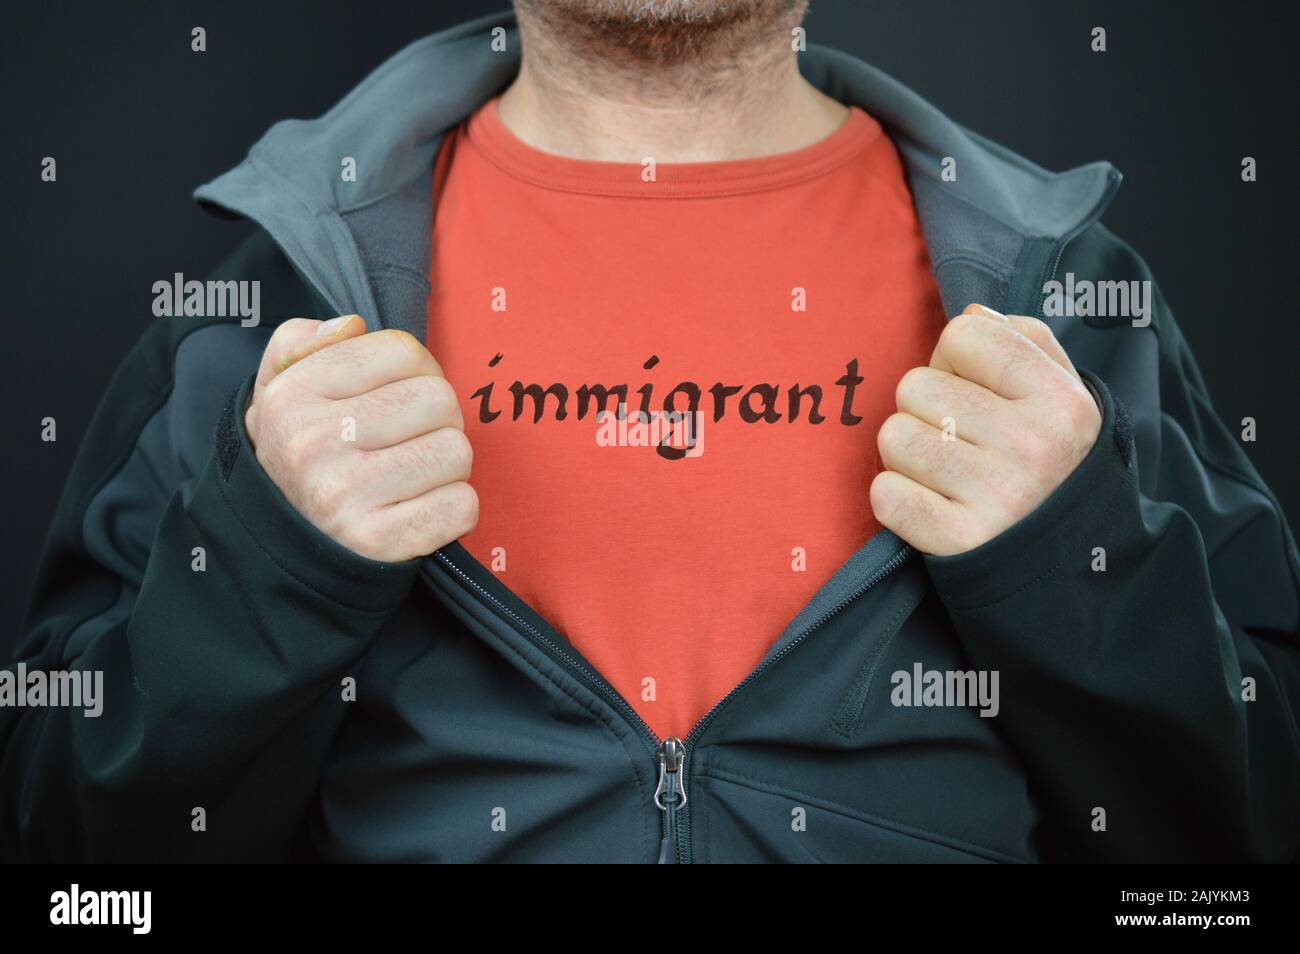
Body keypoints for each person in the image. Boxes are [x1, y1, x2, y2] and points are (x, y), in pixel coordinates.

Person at [2, 2, 1296, 863]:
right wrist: (265, 573)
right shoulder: (272, 301)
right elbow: (67, 864)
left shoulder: (1067, 297)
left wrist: (1080, 567)